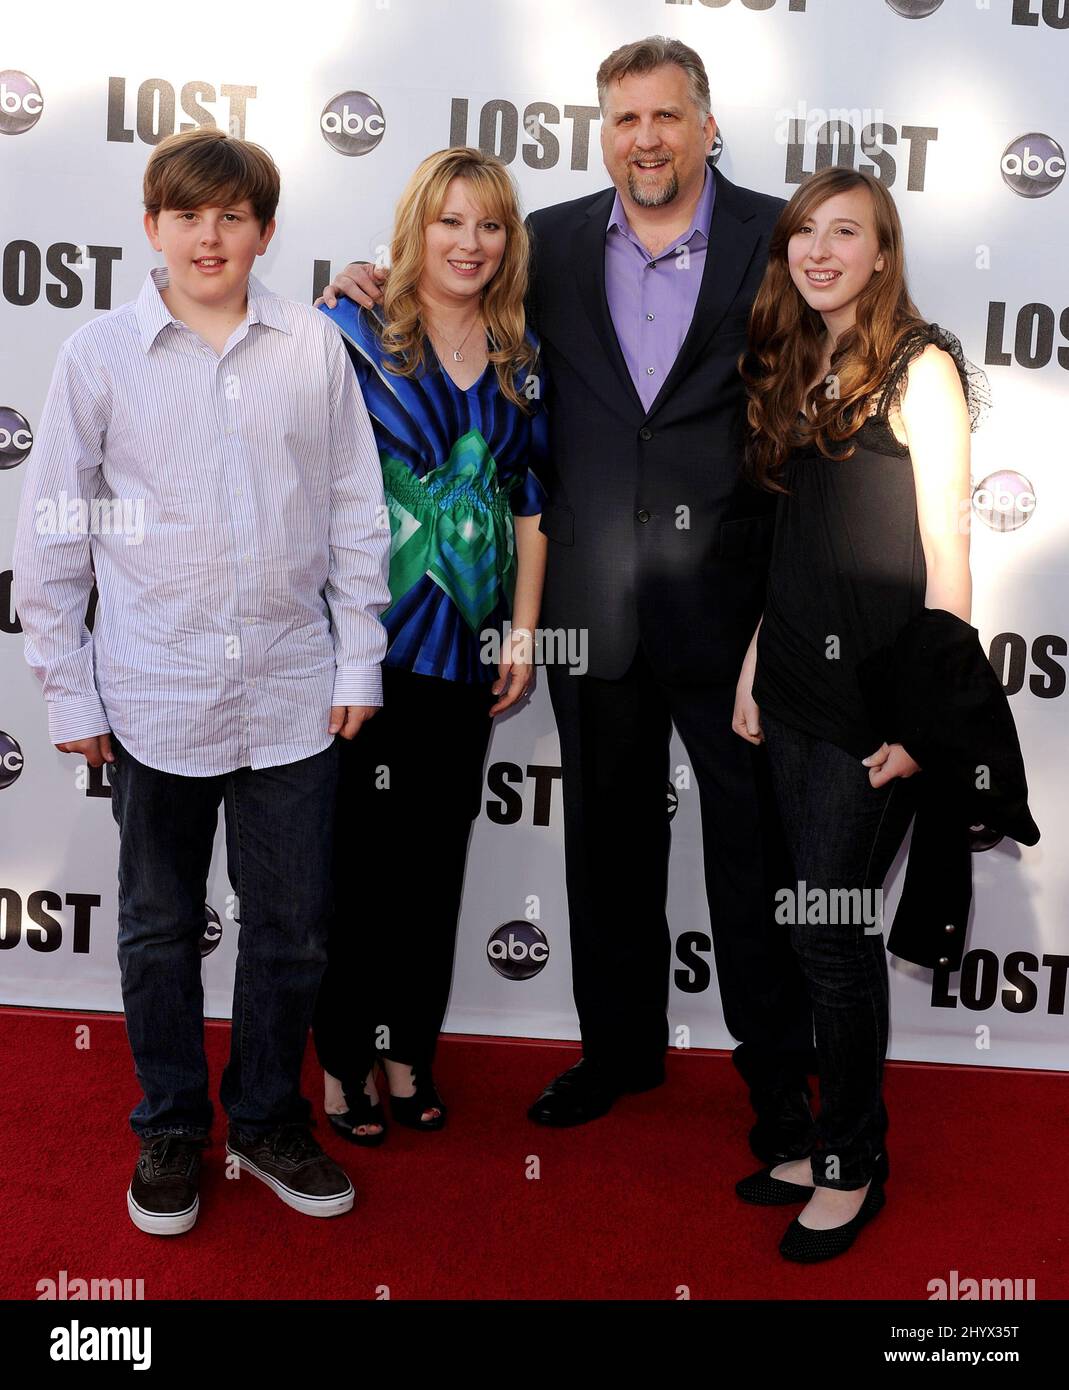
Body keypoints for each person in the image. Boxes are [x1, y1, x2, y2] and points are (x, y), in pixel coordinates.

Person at [320, 37, 815, 1157]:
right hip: (594, 604)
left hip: (730, 610)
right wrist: (355, 276)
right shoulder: (541, 242)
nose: (647, 137)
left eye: (667, 116)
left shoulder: (777, 238)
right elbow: (440, 286)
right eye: (626, 118)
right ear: (604, 131)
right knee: (606, 845)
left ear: (705, 124)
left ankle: (780, 1085)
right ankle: (618, 1051)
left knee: (751, 851)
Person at [13, 128, 392, 1234]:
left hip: (291, 692)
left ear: (265, 232)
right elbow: (53, 538)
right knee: (157, 926)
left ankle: (269, 1117)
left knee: (293, 928)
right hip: (152, 690)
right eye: (188, 215)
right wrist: (69, 689)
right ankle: (173, 1125)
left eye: (233, 215)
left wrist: (358, 652)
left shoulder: (314, 350)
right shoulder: (97, 356)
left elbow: (355, 512)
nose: (210, 234)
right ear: (152, 229)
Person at [732, 166, 983, 1260]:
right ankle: (840, 1131)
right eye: (805, 232)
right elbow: (798, 544)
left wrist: (928, 718)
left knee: (834, 936)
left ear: (883, 255)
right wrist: (752, 662)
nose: (820, 249)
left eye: (848, 233)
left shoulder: (918, 366)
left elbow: (948, 551)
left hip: (875, 697)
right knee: (808, 927)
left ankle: (851, 1160)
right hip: (787, 678)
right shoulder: (806, 359)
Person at [312, 148, 547, 1141]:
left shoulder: (521, 356)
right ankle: (338, 1067)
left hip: (467, 650)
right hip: (361, 647)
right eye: (451, 222)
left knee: (430, 867)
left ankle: (409, 1054)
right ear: (415, 226)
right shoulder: (347, 330)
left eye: (489, 225)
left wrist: (526, 633)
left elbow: (531, 501)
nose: (470, 243)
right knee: (357, 867)